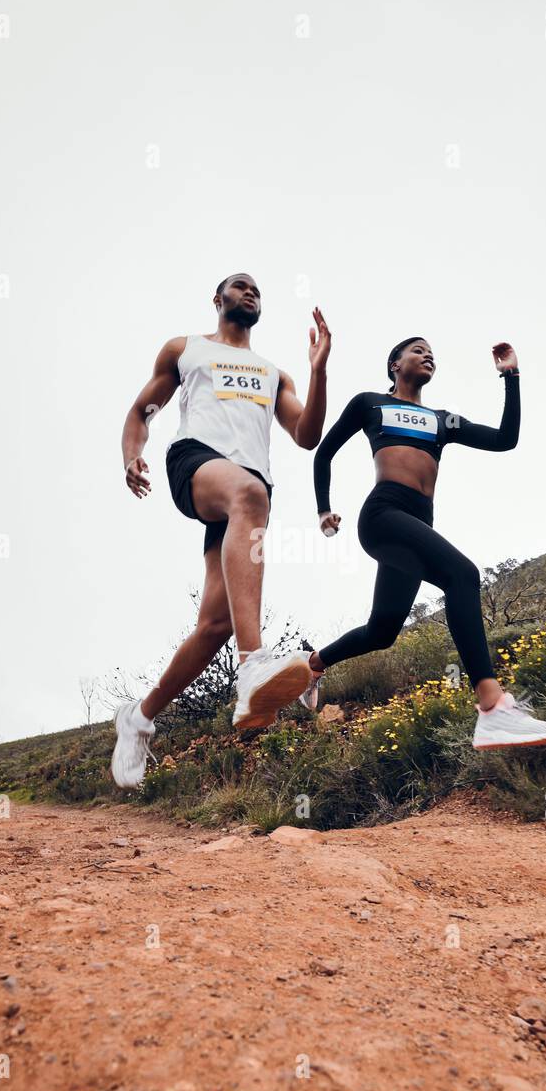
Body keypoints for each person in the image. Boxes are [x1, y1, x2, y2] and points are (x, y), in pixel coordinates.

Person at [111, 273, 332, 787]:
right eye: (239, 285)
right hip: (197, 463)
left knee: (215, 625)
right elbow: (140, 412)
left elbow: (307, 434)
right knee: (248, 495)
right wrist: (132, 455)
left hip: (245, 499)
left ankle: (139, 718)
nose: (250, 291)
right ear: (218, 299)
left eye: (257, 288)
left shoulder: (275, 374)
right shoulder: (186, 349)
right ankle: (254, 665)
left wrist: (317, 371)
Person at [303, 337, 546, 750]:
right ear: (394, 363)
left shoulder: (443, 421)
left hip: (416, 523)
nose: (428, 355)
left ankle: (313, 665)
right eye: (417, 350)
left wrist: (510, 377)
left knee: (382, 631)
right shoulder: (369, 403)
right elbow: (324, 453)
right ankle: (492, 706)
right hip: (384, 515)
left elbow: (504, 439)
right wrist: (323, 509)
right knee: (462, 575)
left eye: (432, 354)